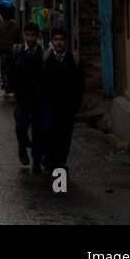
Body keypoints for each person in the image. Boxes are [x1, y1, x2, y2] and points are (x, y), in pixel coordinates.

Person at [40, 27, 85, 175]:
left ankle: (60, 163)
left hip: (67, 106)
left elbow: (80, 85)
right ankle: (48, 161)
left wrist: (75, 106)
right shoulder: (46, 59)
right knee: (48, 132)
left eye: (61, 40)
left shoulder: (74, 60)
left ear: (66, 41)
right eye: (56, 40)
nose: (59, 43)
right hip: (48, 104)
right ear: (52, 42)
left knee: (64, 135)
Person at [13, 22, 46, 172]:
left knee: (38, 130)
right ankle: (22, 147)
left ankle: (37, 160)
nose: (30, 38)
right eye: (28, 35)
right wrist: (11, 92)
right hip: (21, 96)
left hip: (39, 97)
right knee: (21, 126)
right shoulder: (18, 51)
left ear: (37, 37)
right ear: (24, 36)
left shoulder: (44, 54)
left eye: (33, 35)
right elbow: (11, 72)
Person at [0, 12, 22, 93]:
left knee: (5, 71)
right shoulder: (16, 27)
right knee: (13, 70)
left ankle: (7, 87)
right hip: (14, 52)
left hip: (3, 51)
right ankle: (12, 87)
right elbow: (20, 40)